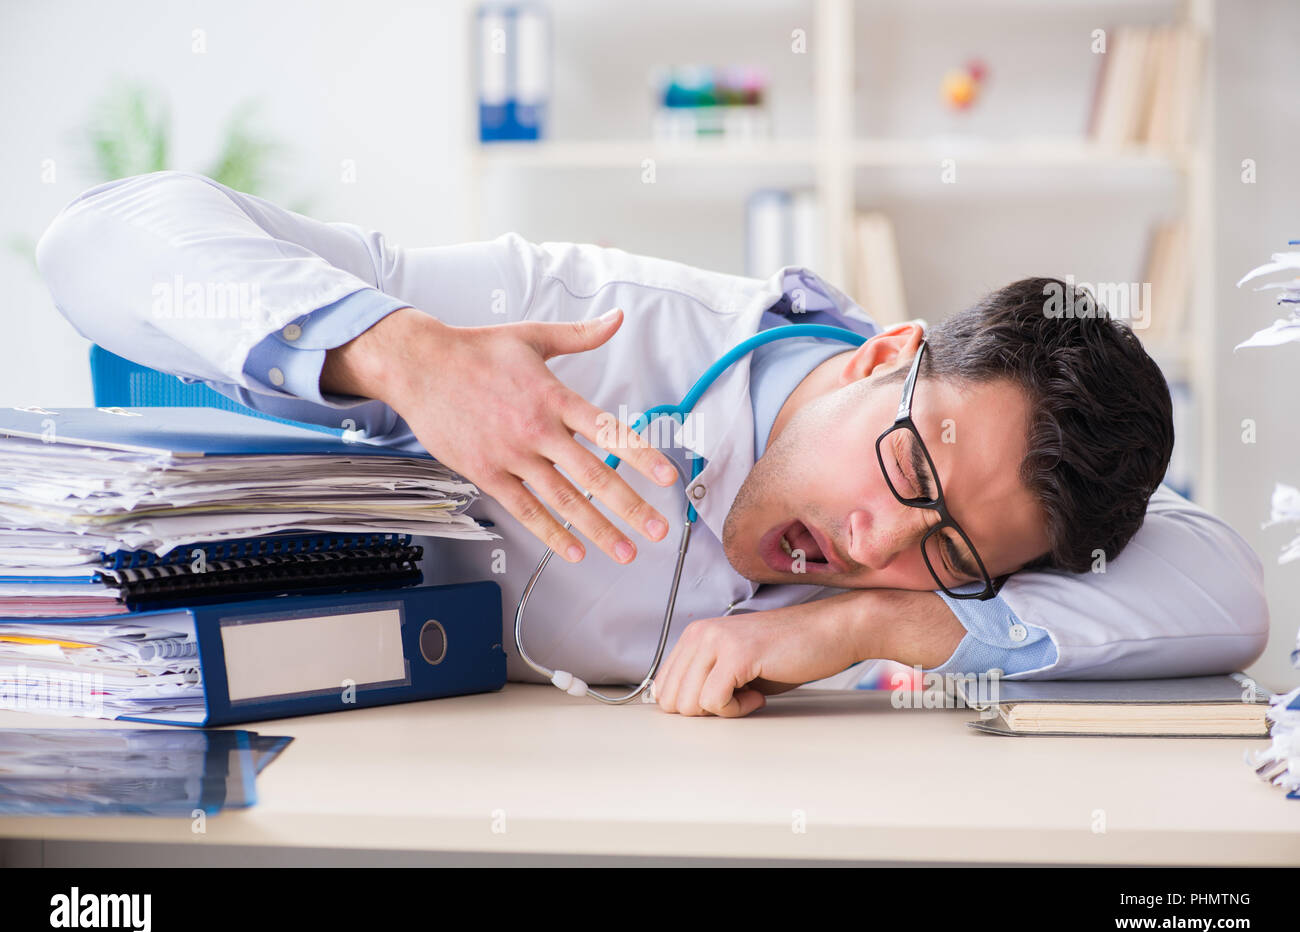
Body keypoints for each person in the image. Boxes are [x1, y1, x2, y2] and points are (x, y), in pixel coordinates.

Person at [36, 171, 1268, 717]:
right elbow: (92, 241)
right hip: (140, 658)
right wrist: (408, 355)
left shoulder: (923, 564)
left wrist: (868, 625)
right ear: (883, 354)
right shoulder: (597, 318)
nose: (874, 539)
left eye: (944, 550)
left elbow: (1223, 589)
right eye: (909, 474)